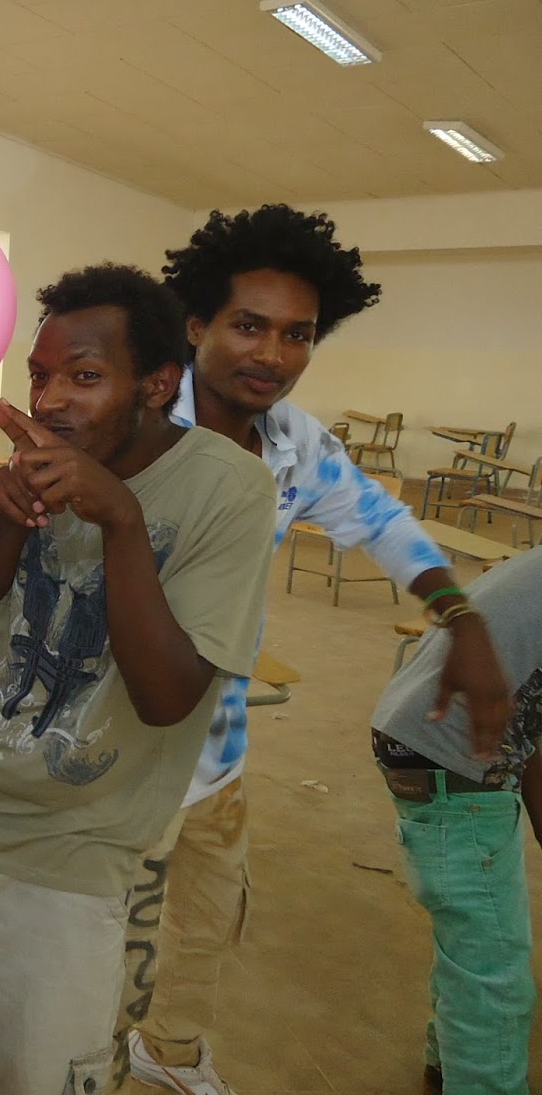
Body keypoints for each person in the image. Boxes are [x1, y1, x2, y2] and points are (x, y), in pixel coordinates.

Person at [118, 205, 512, 1095]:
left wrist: (464, 617)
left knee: (213, 921)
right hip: (120, 757)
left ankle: (170, 1053)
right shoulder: (137, 423)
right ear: (196, 325)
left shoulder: (294, 446)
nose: (272, 354)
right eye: (248, 326)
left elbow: (380, 518)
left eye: (296, 335)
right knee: (107, 954)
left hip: (214, 753)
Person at [0, 263, 276, 1095]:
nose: (52, 401)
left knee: (52, 1079)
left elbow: (167, 699)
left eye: (85, 378)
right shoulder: (41, 452)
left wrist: (119, 515)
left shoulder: (229, 490)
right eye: (42, 376)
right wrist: (10, 513)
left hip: (72, 856)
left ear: (158, 384)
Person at [371, 548, 538, 1095]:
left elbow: (533, 722)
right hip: (450, 749)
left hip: (422, 735)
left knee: (473, 939)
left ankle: (446, 1065)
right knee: (493, 969)